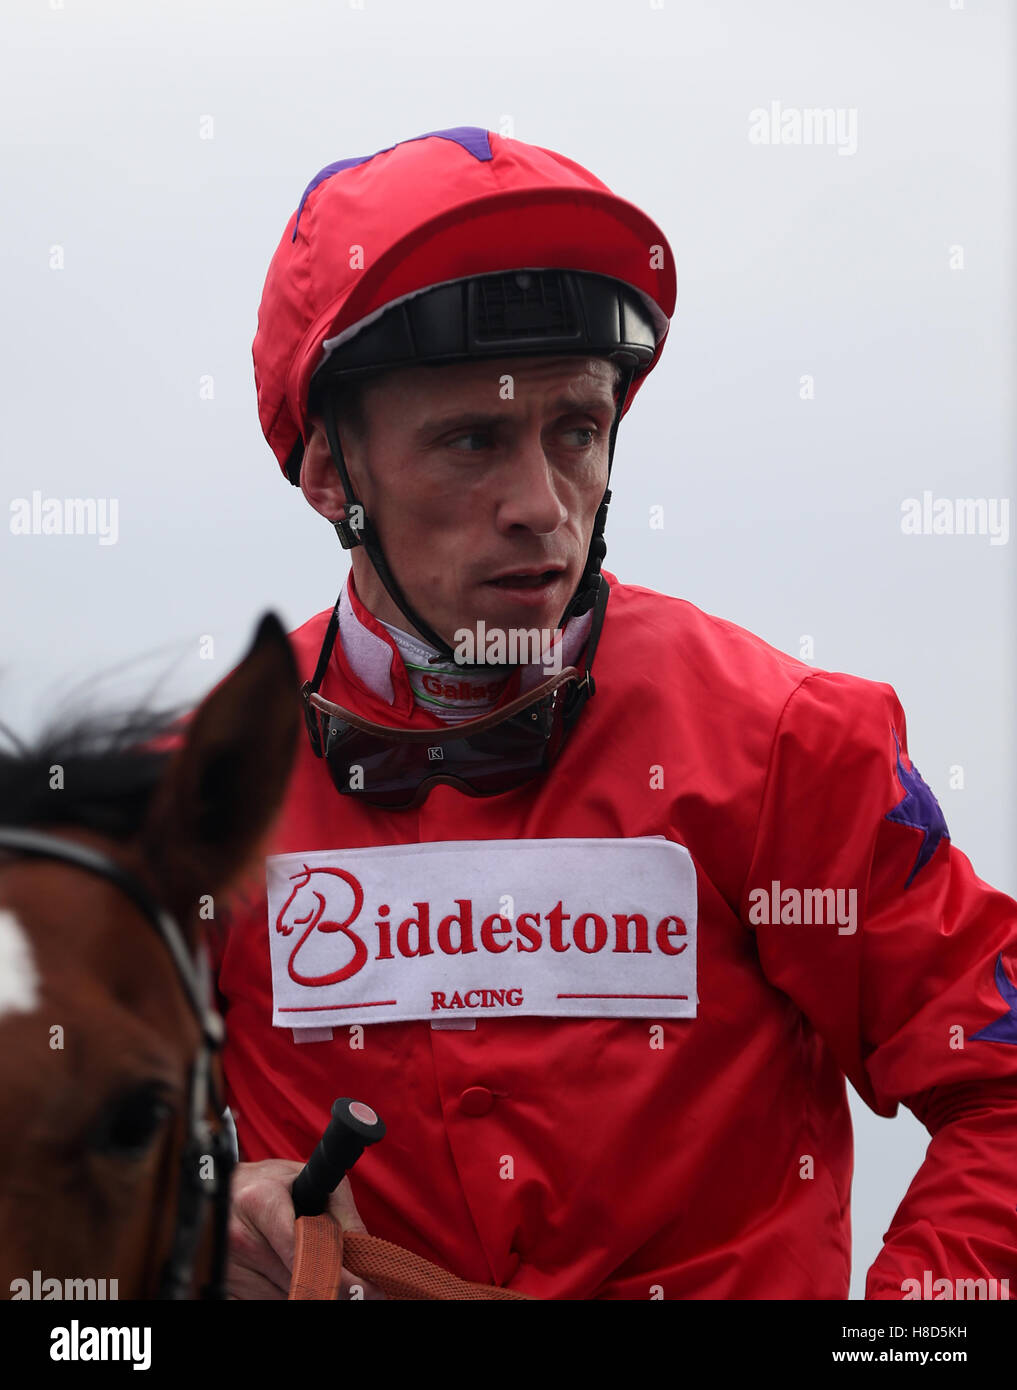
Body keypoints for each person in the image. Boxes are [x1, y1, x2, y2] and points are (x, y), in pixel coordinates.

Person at [221, 126, 1017, 1300]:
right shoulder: (197, 784)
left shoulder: (788, 741)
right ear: (332, 472)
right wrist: (208, 1202)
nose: (544, 507)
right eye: (473, 441)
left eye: (576, 432)